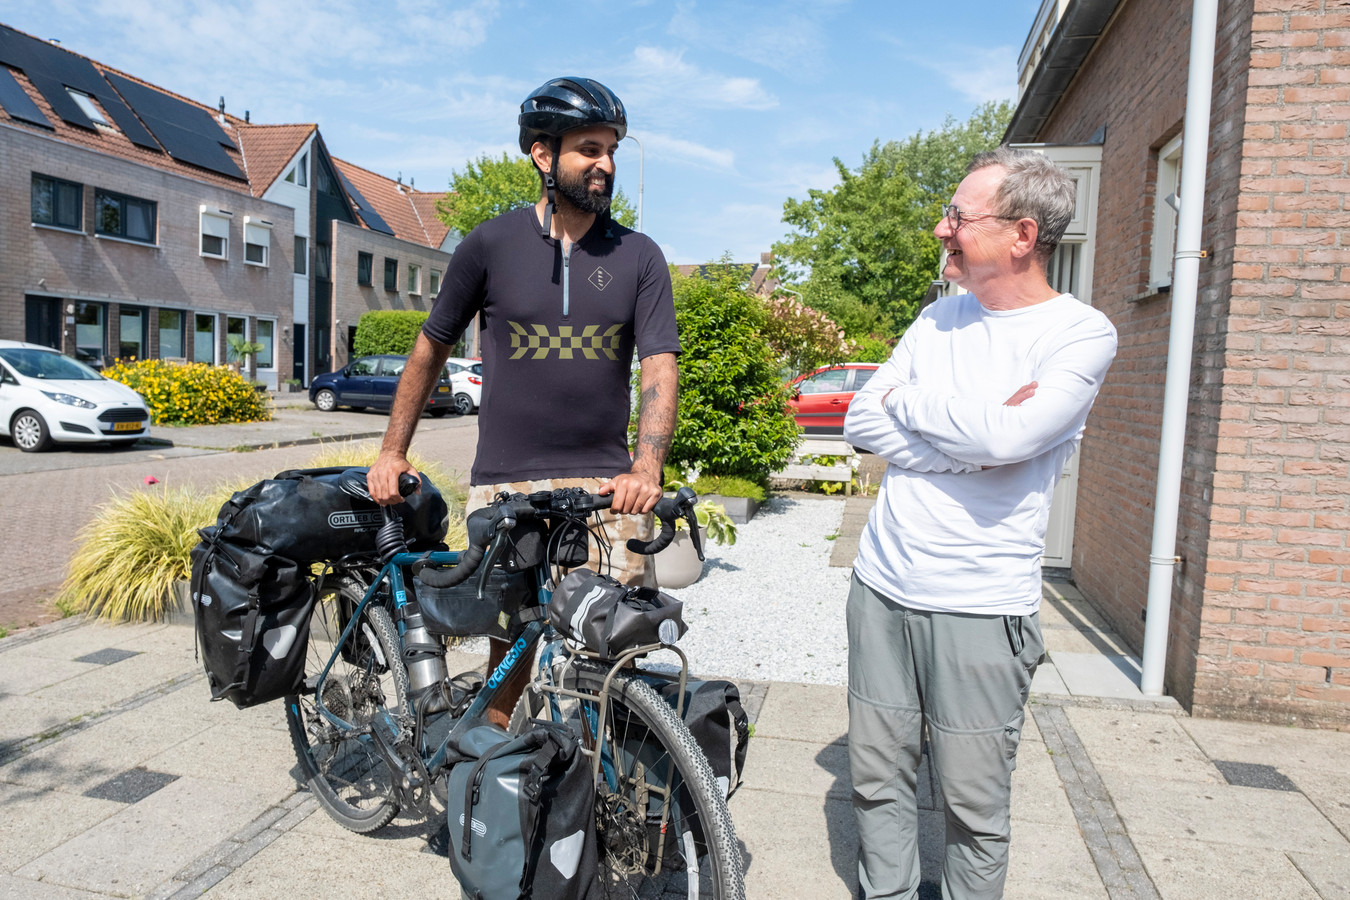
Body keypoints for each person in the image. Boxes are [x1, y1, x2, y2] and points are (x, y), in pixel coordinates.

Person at [842, 146, 1117, 899]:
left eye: (960, 216)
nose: (942, 229)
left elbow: (1010, 442)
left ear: (1022, 235)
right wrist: (973, 444)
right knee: (876, 780)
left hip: (980, 604)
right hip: (882, 589)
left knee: (972, 808)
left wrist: (923, 411)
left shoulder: (1080, 333)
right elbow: (863, 422)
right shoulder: (936, 319)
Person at [367, 77, 680, 729]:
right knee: (509, 658)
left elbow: (659, 365)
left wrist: (646, 468)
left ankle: (606, 811)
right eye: (589, 148)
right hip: (508, 485)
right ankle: (490, 793)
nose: (606, 163)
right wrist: (392, 451)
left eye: (612, 149)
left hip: (604, 486)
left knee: (619, 660)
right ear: (543, 156)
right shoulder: (489, 245)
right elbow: (430, 348)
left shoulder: (639, 257)